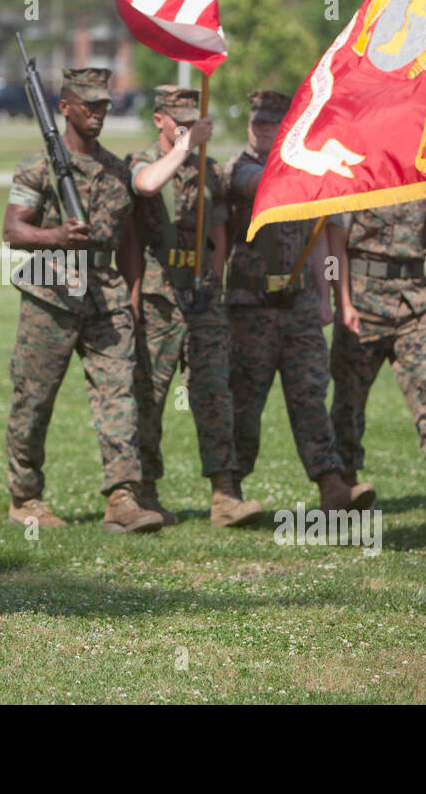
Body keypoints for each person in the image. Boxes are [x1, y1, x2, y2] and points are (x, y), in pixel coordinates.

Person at [2, 67, 161, 534]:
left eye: (104, 105)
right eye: (88, 105)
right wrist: (56, 235)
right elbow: (12, 230)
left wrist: (132, 294)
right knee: (34, 399)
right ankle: (25, 497)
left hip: (106, 296)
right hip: (50, 296)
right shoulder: (38, 167)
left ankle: (122, 497)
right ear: (65, 106)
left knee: (119, 395)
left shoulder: (118, 170)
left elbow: (129, 239)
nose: (98, 113)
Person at [225, 90, 373, 514]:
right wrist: (321, 173)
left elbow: (325, 248)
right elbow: (265, 185)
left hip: (301, 309)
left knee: (310, 393)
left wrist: (327, 296)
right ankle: (230, 491)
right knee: (246, 402)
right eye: (258, 123)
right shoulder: (240, 169)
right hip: (251, 309)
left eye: (272, 124)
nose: (263, 131)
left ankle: (332, 485)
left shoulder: (307, 174)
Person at [127, 85, 260, 528]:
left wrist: (215, 277)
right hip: (159, 298)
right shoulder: (143, 161)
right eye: (177, 120)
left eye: (192, 119)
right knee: (150, 397)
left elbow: (219, 231)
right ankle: (144, 494)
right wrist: (186, 146)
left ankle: (225, 495)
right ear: (159, 120)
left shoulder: (211, 171)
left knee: (214, 394)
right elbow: (147, 186)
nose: (185, 126)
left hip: (203, 296)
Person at [327, 197, 426, 520]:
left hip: (416, 301)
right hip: (363, 300)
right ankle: (344, 486)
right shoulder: (354, 174)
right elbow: (335, 246)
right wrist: (342, 301)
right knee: (349, 400)